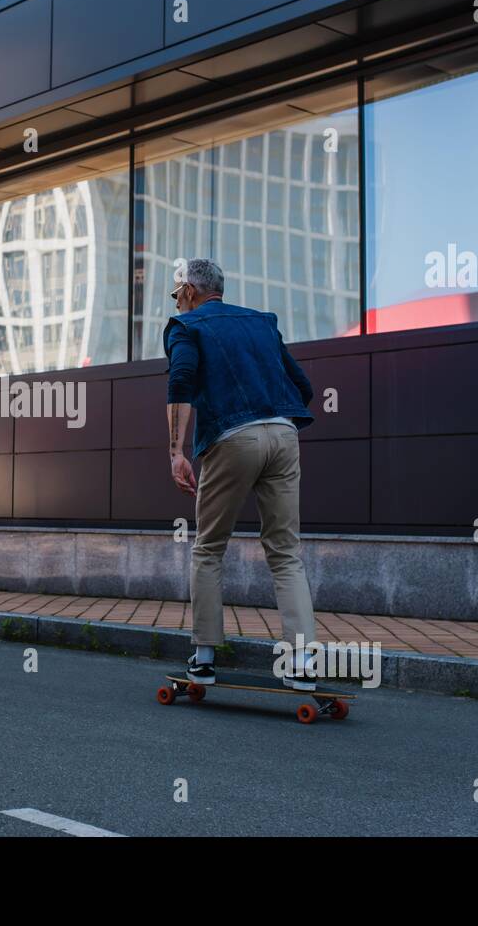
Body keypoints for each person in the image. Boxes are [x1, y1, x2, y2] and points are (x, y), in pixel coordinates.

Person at [163, 258, 318, 690]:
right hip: (285, 434)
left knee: (209, 548)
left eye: (177, 297)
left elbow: (181, 381)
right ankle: (303, 660)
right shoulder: (261, 323)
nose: (177, 305)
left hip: (233, 437)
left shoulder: (186, 328)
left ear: (191, 290)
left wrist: (176, 451)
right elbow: (301, 386)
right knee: (286, 552)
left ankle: (205, 657)